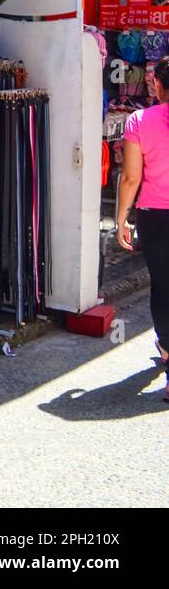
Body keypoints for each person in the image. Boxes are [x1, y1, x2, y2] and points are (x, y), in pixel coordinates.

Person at [116, 54, 169, 401]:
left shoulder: (139, 120)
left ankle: (167, 351)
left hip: (155, 217)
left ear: (158, 85)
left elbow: (132, 177)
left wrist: (120, 218)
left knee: (163, 288)